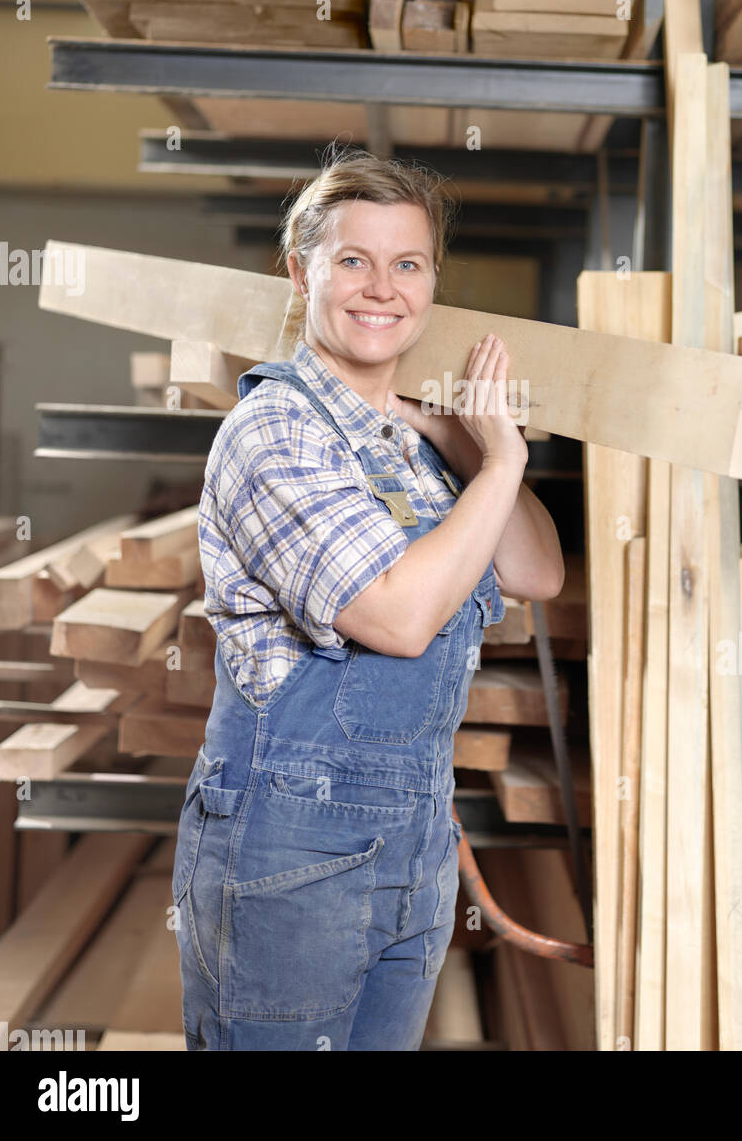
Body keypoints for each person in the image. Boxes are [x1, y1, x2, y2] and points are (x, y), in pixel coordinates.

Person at [172, 147, 565, 1051]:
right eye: (351, 259)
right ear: (300, 270)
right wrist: (504, 458)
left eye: (407, 264)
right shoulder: (274, 430)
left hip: (414, 845)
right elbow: (395, 616)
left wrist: (461, 444)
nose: (379, 288)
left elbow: (537, 572)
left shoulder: (416, 441)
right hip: (288, 857)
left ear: (431, 285)